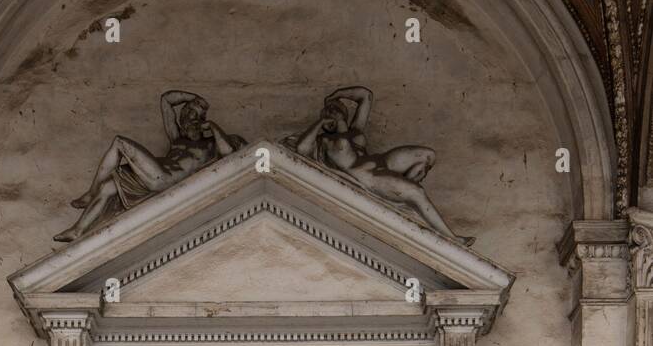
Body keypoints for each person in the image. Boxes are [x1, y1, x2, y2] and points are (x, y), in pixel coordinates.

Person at [286, 85, 468, 243]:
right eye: (327, 112)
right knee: (416, 192)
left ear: (343, 112)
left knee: (428, 156)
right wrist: (319, 123)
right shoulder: (325, 141)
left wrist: (336, 95)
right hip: (370, 177)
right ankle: (451, 237)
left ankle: (399, 198)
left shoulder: (354, 130)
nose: (331, 113)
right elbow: (302, 148)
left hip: (383, 162)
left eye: (335, 109)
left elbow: (365, 95)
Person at [54, 90, 245, 241]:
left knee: (120, 142)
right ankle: (78, 230)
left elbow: (228, 152)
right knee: (108, 187)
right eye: (190, 114)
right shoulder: (177, 139)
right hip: (151, 177)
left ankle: (90, 194)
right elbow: (166, 100)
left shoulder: (209, 146)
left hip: (164, 180)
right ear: (183, 118)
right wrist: (193, 98)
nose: (193, 119)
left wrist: (212, 125)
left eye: (198, 117)